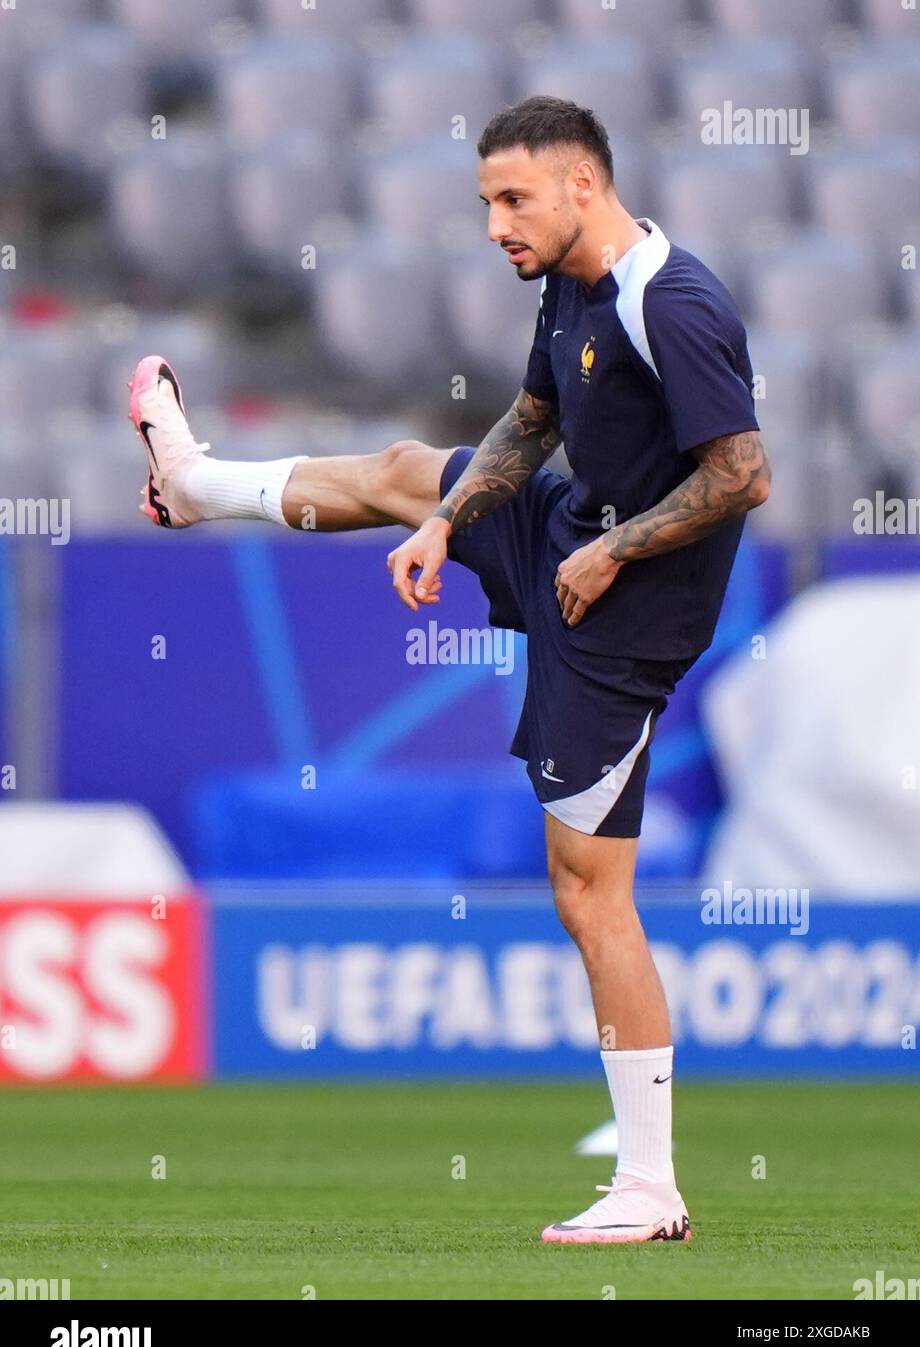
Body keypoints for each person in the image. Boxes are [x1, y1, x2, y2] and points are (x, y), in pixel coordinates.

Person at [128, 95, 770, 1244]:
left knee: (587, 893)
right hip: (569, 529)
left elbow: (740, 476)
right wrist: (447, 521)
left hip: (623, 619)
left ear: (583, 186)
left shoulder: (670, 303)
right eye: (485, 202)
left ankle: (649, 1187)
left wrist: (614, 550)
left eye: (511, 199)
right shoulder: (567, 283)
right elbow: (528, 420)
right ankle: (195, 485)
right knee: (404, 471)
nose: (492, 225)